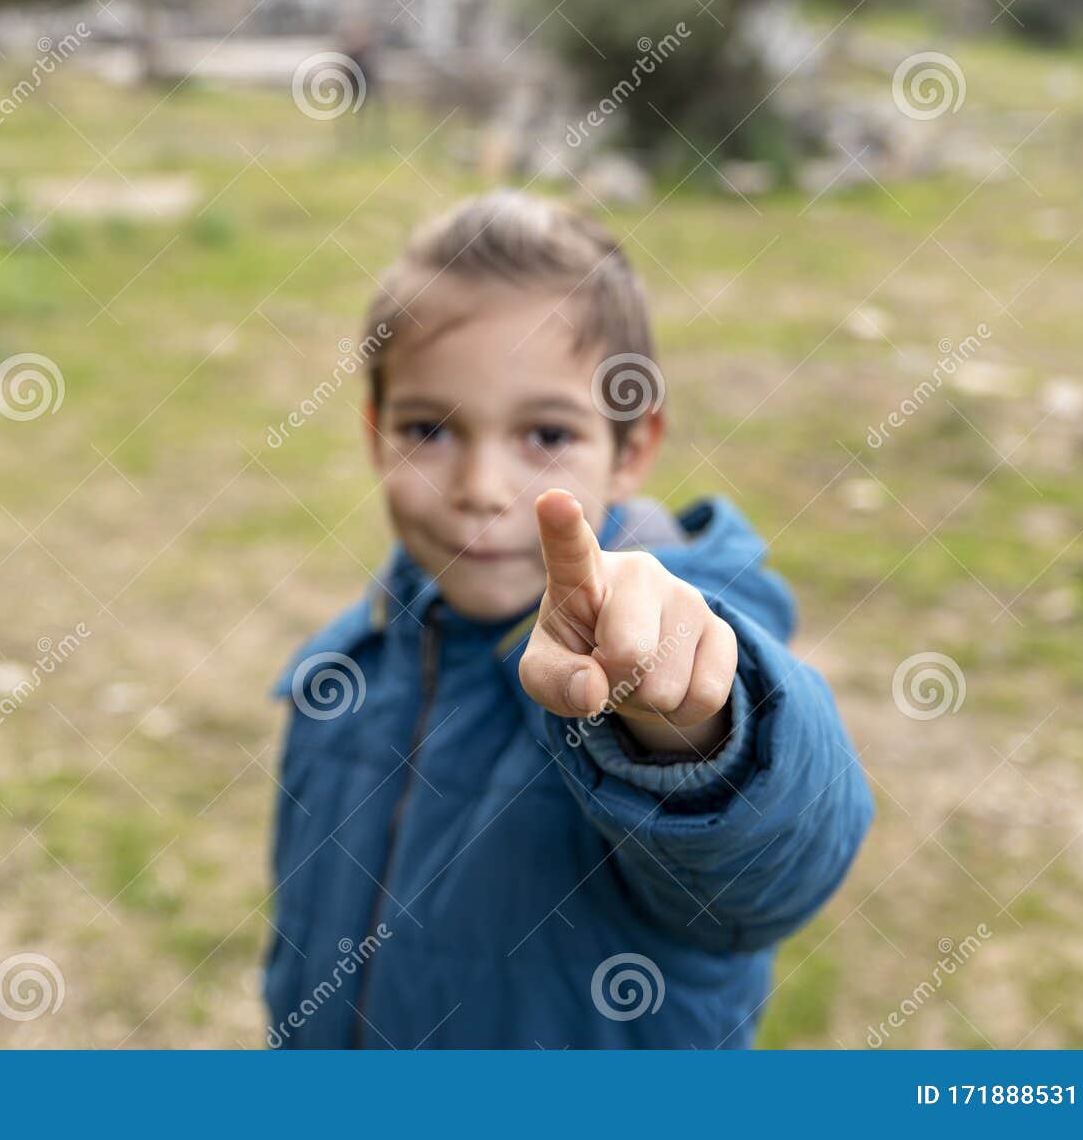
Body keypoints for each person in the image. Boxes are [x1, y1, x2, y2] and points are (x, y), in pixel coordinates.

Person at [265, 189, 874, 1048]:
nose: (480, 488)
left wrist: (687, 729)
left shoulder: (663, 654)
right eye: (428, 428)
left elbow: (772, 875)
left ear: (632, 451)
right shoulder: (355, 665)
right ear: (374, 434)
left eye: (547, 435)